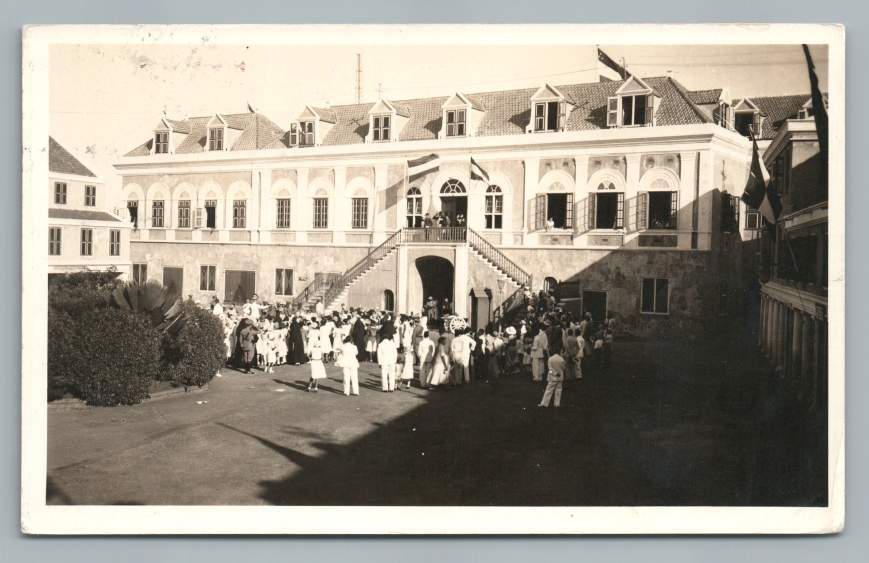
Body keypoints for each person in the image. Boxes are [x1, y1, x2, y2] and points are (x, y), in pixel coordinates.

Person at [306, 328, 326, 392]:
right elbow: (323, 357)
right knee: (317, 375)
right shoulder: (321, 350)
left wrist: (310, 359)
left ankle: (309, 386)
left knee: (313, 374)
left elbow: (308, 355)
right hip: (319, 361)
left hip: (314, 361)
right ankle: (316, 387)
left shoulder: (312, 349)